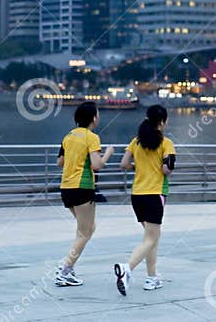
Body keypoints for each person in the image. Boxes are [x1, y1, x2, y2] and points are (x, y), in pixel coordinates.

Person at [114, 105, 175, 296]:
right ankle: (127, 269)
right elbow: (167, 169)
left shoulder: (135, 142)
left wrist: (138, 168)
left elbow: (123, 164)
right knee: (151, 239)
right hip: (155, 194)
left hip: (137, 195)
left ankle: (152, 278)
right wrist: (163, 167)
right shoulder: (166, 143)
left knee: (151, 239)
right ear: (163, 121)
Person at [55, 101, 114, 286]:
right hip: (83, 187)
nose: (98, 117)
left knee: (88, 229)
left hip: (66, 188)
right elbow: (97, 165)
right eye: (97, 114)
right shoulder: (92, 137)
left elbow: (60, 162)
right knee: (84, 232)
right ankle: (65, 270)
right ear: (93, 118)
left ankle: (67, 268)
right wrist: (108, 154)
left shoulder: (68, 136)